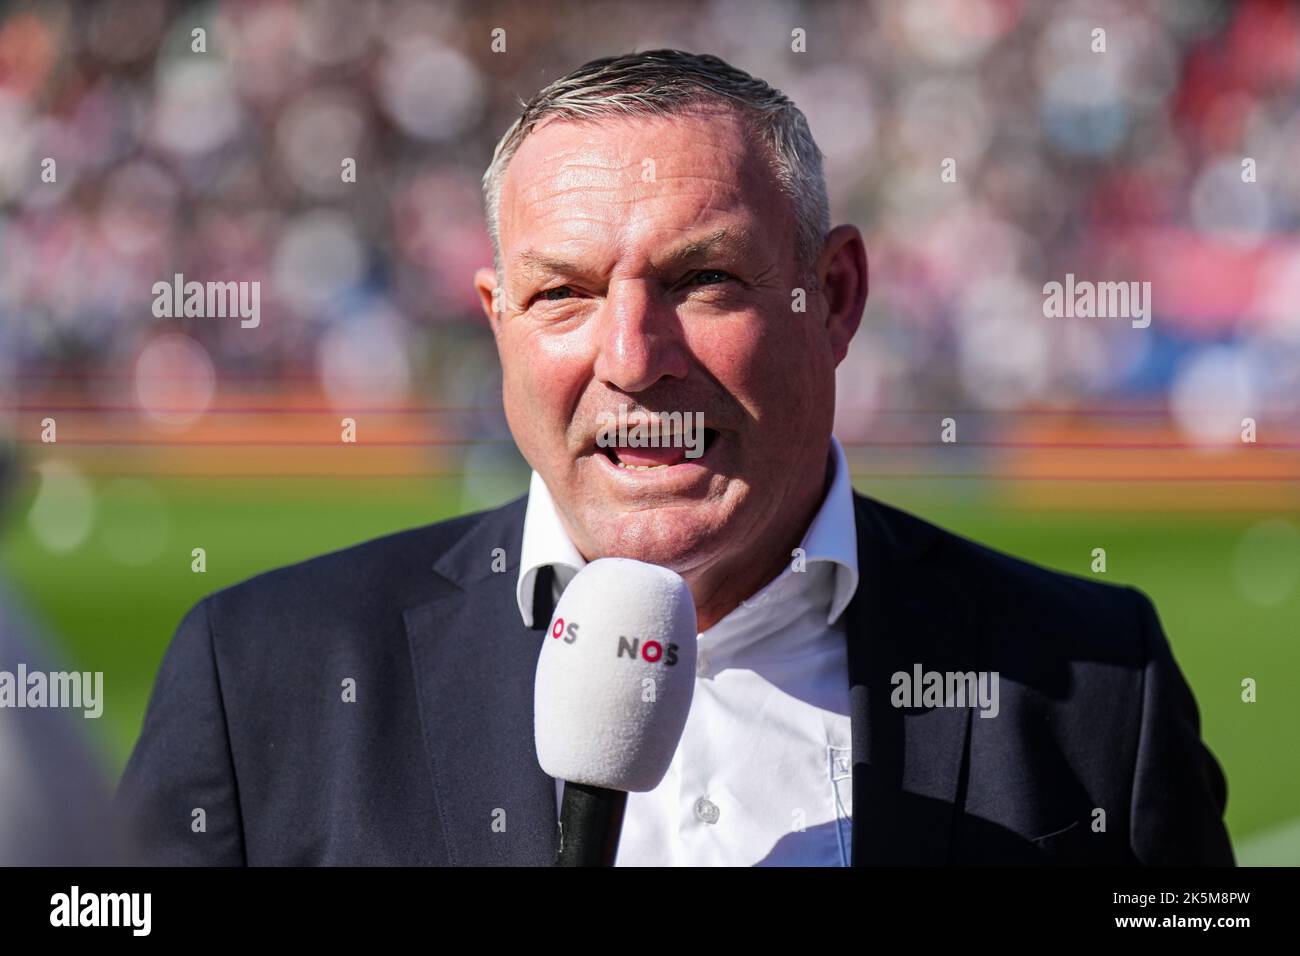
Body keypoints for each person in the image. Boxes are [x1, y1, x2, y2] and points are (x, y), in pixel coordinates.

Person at [115, 49, 1233, 866]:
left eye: (703, 280)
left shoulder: (1096, 684)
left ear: (832, 298)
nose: (633, 356)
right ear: (497, 319)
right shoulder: (261, 673)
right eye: (563, 293)